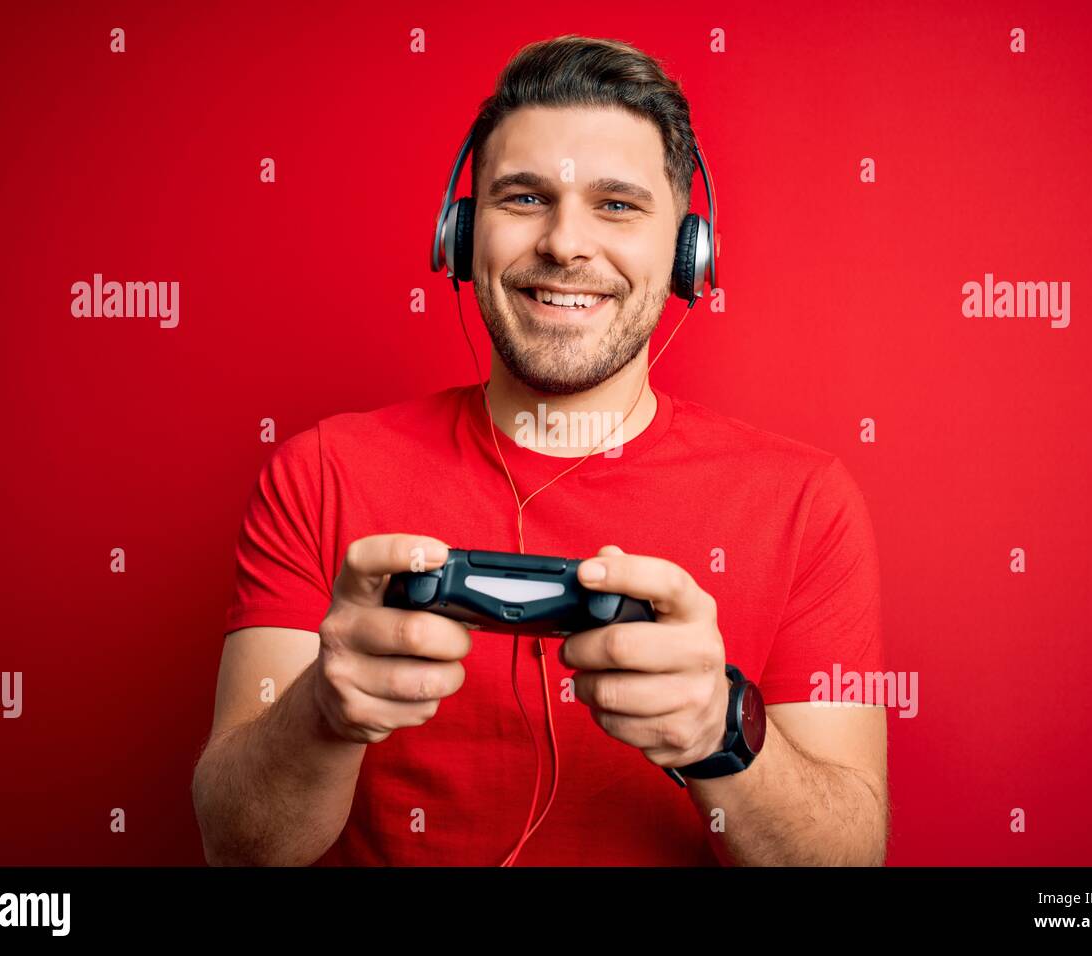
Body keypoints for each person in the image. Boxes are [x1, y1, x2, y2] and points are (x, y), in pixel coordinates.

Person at [192, 33, 888, 866]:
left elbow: (850, 857)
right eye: (523, 198)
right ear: (460, 234)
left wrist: (720, 735)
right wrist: (321, 714)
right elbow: (238, 849)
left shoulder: (807, 502)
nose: (565, 244)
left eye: (618, 205)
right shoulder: (318, 473)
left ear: (687, 255)